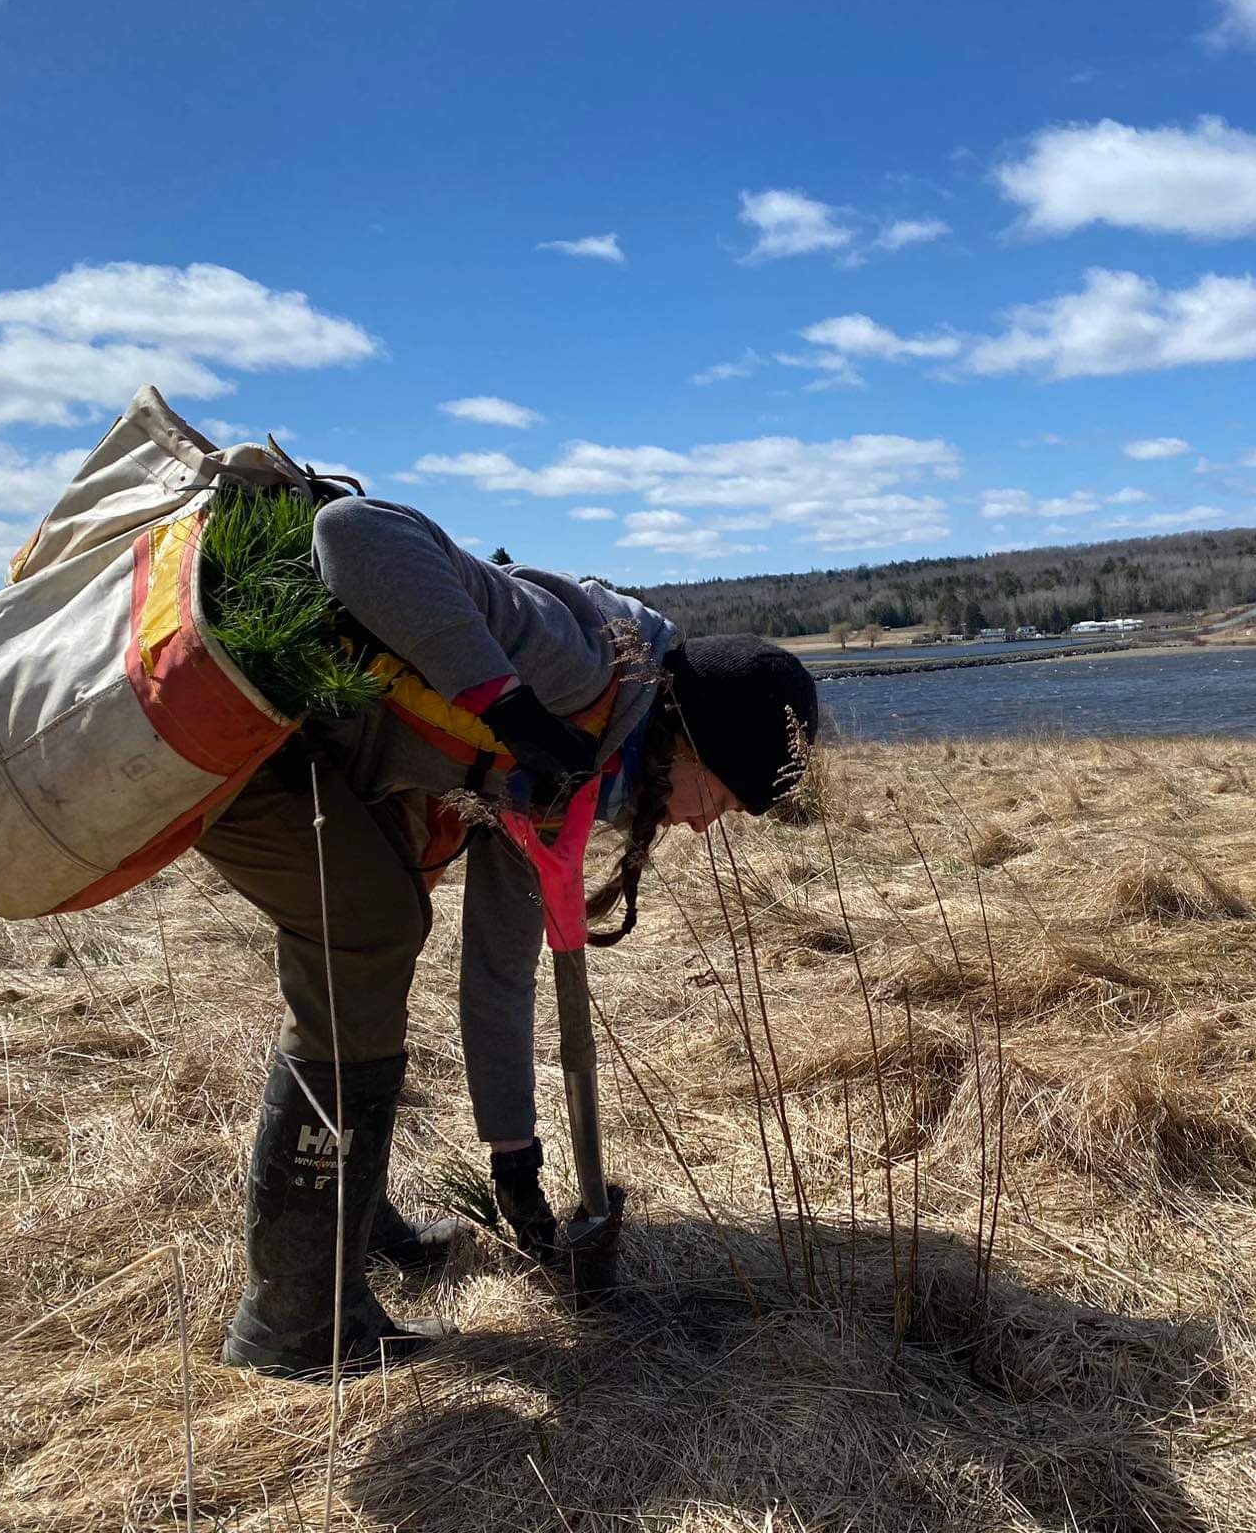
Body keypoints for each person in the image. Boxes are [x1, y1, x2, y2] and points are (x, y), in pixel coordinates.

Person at [197, 496, 819, 1379]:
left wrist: (513, 1153)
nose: (700, 825)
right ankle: (296, 1323)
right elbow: (354, 533)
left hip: (307, 760)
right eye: (716, 798)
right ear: (686, 744)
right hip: (237, 716)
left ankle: (348, 1227)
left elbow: (500, 967)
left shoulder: (574, 777)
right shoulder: (575, 666)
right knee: (371, 933)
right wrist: (508, 704)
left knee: (380, 936)